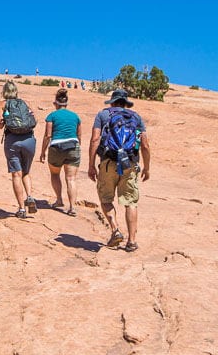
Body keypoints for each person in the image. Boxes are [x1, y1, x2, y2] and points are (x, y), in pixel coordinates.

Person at [88, 89, 151, 252]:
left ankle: (115, 229)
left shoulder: (103, 115)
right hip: (129, 163)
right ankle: (131, 241)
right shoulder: (136, 117)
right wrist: (147, 167)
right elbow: (144, 145)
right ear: (125, 103)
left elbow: (95, 139)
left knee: (105, 199)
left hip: (109, 161)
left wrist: (91, 165)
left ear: (113, 102)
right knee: (130, 202)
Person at [0, 81, 38, 218]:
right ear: (16, 91)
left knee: (16, 174)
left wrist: (4, 121)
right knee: (26, 172)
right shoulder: (24, 103)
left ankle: (21, 209)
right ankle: (30, 196)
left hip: (12, 140)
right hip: (29, 140)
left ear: (4, 92)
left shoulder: (2, 104)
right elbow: (34, 120)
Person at [39, 88, 81, 216]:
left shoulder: (52, 116)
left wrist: (42, 152)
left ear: (55, 103)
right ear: (66, 103)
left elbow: (48, 135)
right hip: (73, 146)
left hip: (56, 147)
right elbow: (79, 135)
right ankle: (72, 207)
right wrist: (78, 148)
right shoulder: (75, 116)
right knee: (71, 178)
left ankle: (59, 200)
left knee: (55, 174)